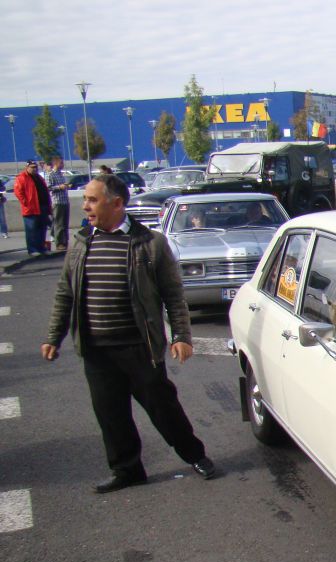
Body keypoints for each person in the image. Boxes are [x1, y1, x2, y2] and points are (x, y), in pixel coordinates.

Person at [41, 174, 216, 493]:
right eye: (86, 200)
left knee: (164, 408)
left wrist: (181, 337)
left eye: (93, 200)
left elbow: (173, 295)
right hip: (97, 350)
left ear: (117, 203)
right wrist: (54, 337)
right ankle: (127, 469)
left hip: (139, 347)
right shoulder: (81, 242)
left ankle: (195, 455)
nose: (86, 206)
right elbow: (65, 293)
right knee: (111, 415)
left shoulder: (150, 244)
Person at [13, 160, 51, 256]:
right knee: (31, 230)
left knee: (42, 229)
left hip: (42, 207)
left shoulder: (39, 177)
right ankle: (33, 249)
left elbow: (45, 191)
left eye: (35, 167)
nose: (34, 169)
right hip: (31, 209)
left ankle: (41, 248)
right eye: (32, 167)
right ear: (27, 167)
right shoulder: (22, 178)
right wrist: (26, 203)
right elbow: (18, 192)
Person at [45, 155, 71, 252]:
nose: (63, 164)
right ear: (55, 163)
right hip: (57, 202)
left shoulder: (61, 174)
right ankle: (59, 243)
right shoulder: (50, 174)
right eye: (61, 163)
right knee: (58, 223)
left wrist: (65, 186)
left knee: (65, 223)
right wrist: (59, 187)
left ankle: (65, 242)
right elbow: (48, 187)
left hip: (65, 201)